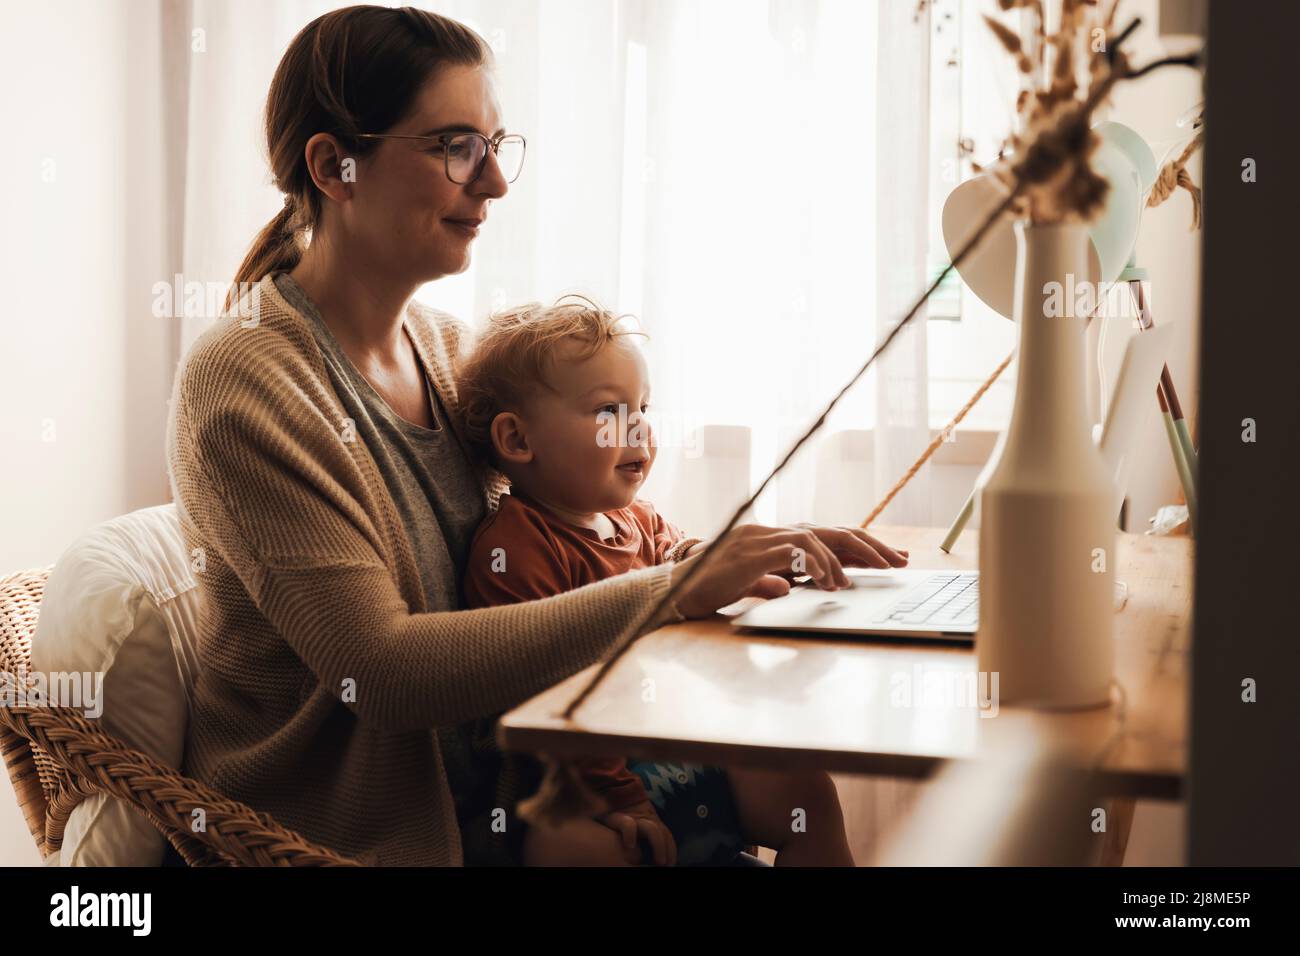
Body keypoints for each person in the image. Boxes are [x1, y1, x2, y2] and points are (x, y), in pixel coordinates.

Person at [164, 4, 909, 866]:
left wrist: (742, 557)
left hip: (518, 786)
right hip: (360, 836)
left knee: (795, 781)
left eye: (494, 145)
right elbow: (385, 671)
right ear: (336, 166)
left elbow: (566, 542)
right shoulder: (247, 381)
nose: (495, 185)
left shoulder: (446, 350)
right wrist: (678, 590)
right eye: (455, 148)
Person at [459, 299, 901, 865]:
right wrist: (621, 798)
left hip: (676, 741)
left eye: (642, 406)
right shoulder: (515, 549)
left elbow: (684, 553)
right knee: (571, 844)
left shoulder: (633, 517)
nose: (638, 424)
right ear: (518, 441)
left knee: (806, 791)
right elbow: (543, 698)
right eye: (608, 410)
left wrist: (757, 560)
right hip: (581, 779)